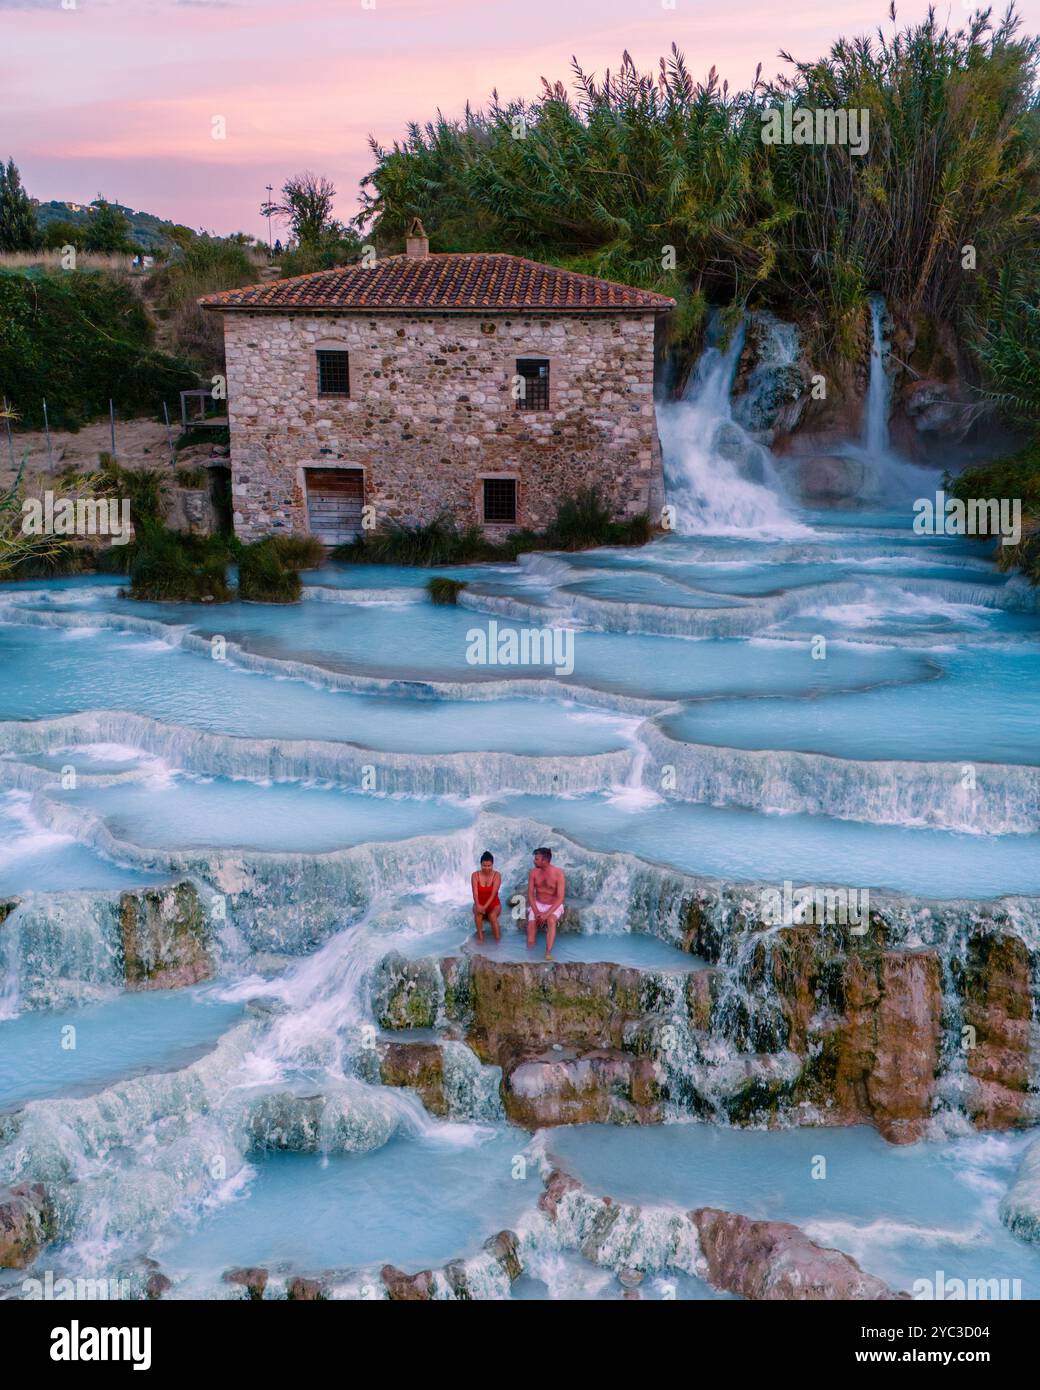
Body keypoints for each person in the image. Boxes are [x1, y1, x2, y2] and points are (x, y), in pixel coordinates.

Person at [526, 847, 566, 961]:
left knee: (551, 921)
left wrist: (546, 914)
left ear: (545, 860)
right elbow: (530, 894)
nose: (534, 861)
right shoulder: (533, 872)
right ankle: (530, 955)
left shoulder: (558, 874)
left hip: (553, 905)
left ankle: (548, 952)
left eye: (537, 859)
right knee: (531, 926)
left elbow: (560, 898)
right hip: (537, 904)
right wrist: (536, 911)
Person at [471, 851, 502, 944]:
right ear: (481, 864)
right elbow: (475, 893)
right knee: (478, 913)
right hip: (479, 903)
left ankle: (497, 940)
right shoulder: (475, 875)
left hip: (494, 904)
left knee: (492, 916)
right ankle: (480, 938)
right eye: (484, 865)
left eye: (489, 866)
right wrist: (478, 906)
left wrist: (485, 907)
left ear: (492, 865)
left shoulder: (497, 875)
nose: (487, 868)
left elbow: (493, 894)